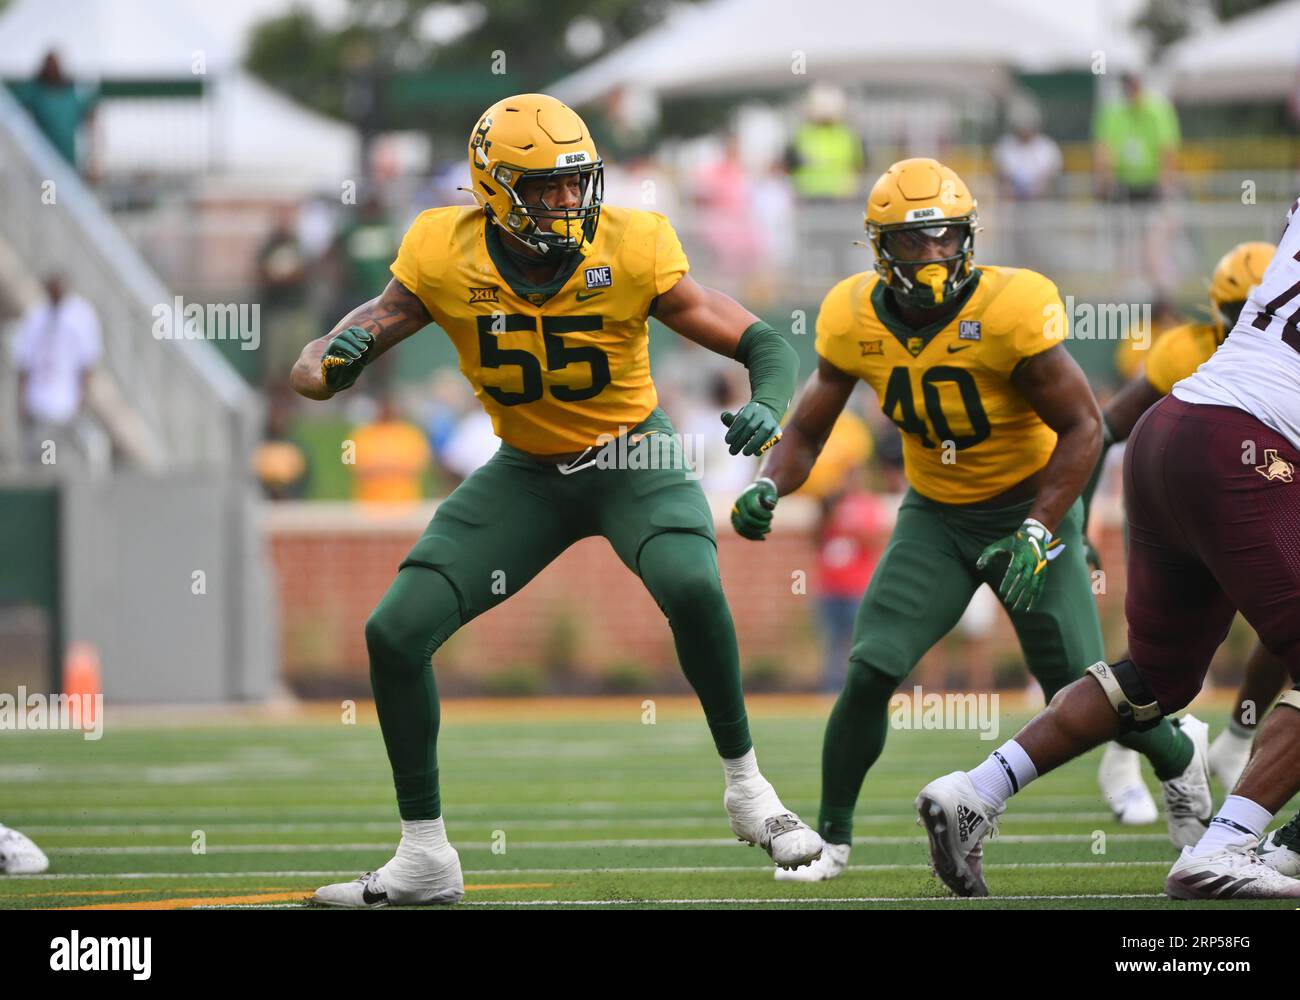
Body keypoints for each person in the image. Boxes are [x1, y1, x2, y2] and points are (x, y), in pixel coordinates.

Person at [290, 94, 820, 906]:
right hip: (528, 471)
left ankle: (749, 792)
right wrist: (334, 362)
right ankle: (425, 856)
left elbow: (765, 341)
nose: (569, 202)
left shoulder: (634, 244)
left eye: (578, 183)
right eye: (546, 188)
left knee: (691, 582)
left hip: (633, 457)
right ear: (494, 188)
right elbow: (315, 362)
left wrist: (768, 404)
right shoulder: (440, 249)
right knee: (395, 631)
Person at [730, 157, 1206, 884]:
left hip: (1028, 507)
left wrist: (1045, 526)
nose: (934, 255)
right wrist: (771, 483)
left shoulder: (1013, 306)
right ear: (880, 248)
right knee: (869, 670)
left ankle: (1180, 758)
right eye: (915, 241)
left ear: (968, 236)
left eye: (946, 237)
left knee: (1082, 692)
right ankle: (833, 842)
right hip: (937, 516)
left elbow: (1083, 428)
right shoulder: (853, 314)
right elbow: (805, 432)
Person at [917, 198, 1300, 900]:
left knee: (1154, 678)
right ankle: (1226, 845)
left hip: (1172, 430)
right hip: (1248, 447)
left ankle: (977, 790)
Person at [1085, 241, 1293, 794]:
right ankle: (1139, 749)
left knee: (1278, 625)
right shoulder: (1185, 349)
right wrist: (1080, 507)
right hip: (1193, 490)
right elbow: (1109, 424)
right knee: (1163, 649)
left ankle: (1235, 740)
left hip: (1252, 478)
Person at [13, 274, 103, 471]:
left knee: (63, 461)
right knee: (40, 462)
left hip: (67, 403)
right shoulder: (36, 316)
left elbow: (87, 363)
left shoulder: (80, 316)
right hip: (39, 401)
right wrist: (22, 400)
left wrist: (84, 398)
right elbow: (24, 363)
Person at [10, 51, 97, 170]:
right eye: (48, 66)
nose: (51, 69)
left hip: (68, 161)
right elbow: (14, 106)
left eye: (54, 65)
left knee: (64, 187)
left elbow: (89, 113)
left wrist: (94, 160)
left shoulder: (71, 95)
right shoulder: (36, 92)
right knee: (48, 187)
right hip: (44, 162)